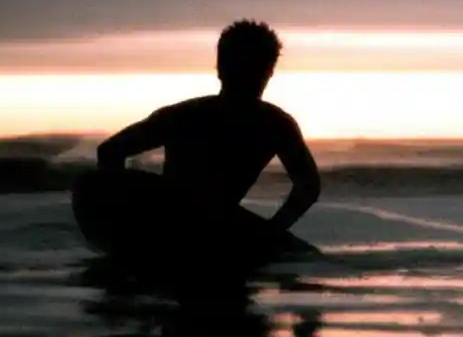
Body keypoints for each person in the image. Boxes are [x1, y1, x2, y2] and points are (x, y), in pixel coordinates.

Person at [96, 20, 321, 230]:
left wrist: (272, 231)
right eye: (241, 67)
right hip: (173, 222)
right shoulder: (274, 126)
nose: (246, 77)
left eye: (252, 68)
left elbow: (109, 151)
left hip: (190, 226)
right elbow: (308, 186)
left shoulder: (184, 116)